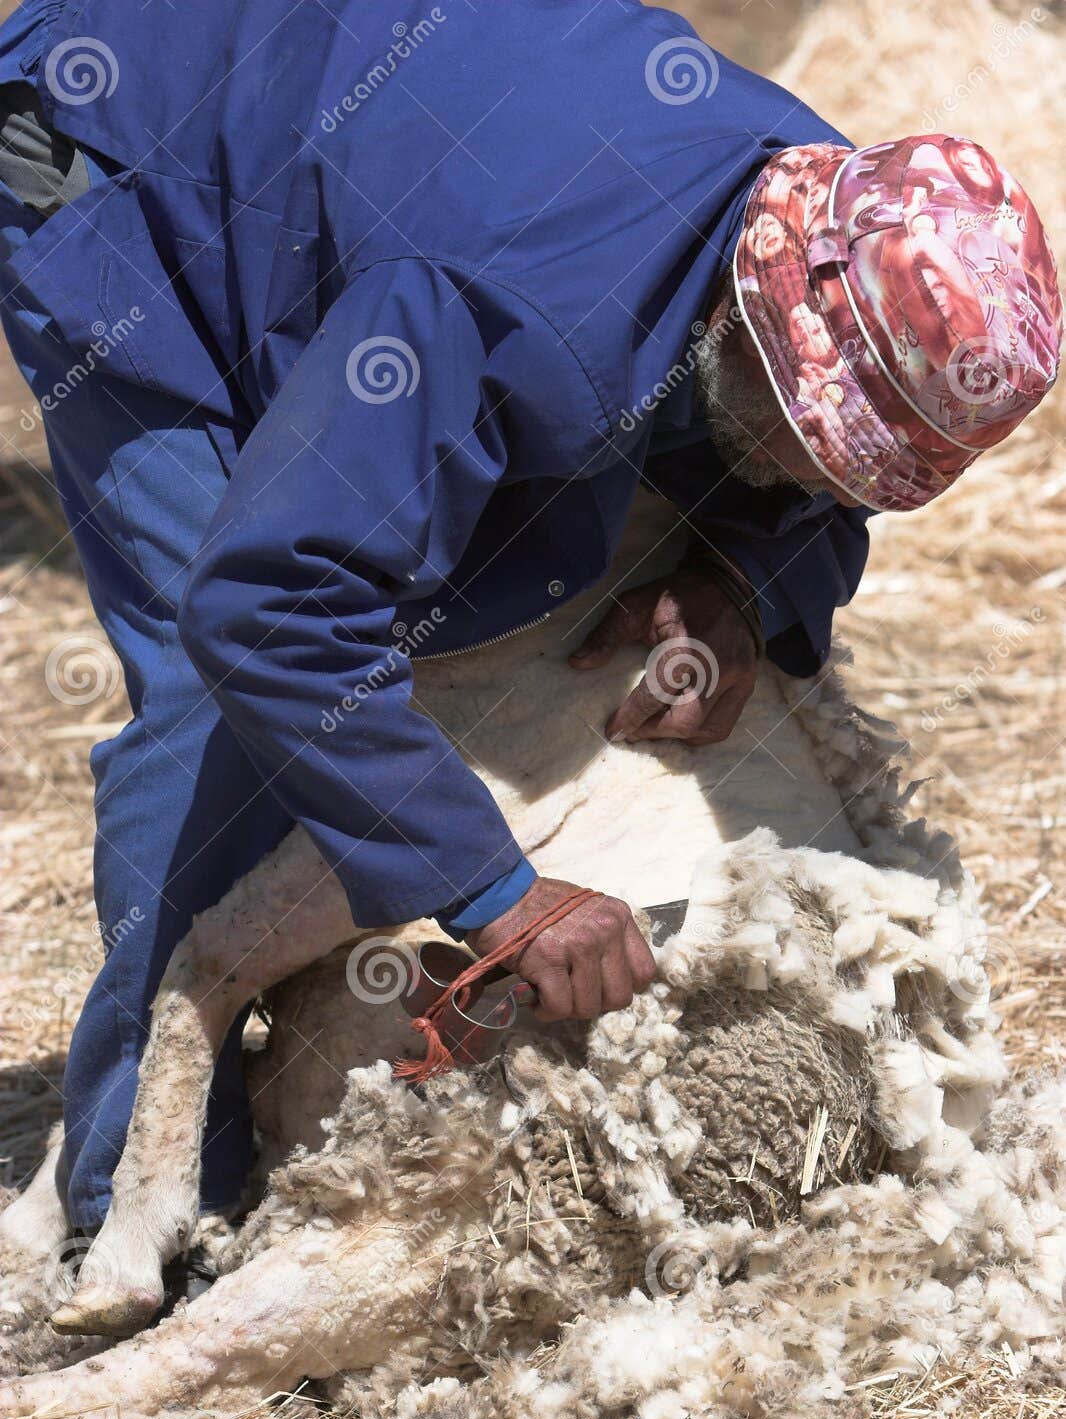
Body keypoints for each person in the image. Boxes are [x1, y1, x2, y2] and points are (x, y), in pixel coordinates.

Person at [0, 0, 1058, 1235]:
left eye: (849, 471)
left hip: (367, 159)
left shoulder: (846, 220)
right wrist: (493, 889)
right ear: (758, 324)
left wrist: (746, 581)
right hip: (124, 157)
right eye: (810, 448)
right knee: (209, 699)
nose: (819, 484)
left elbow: (804, 467)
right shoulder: (500, 297)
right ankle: (140, 1198)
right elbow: (267, 607)